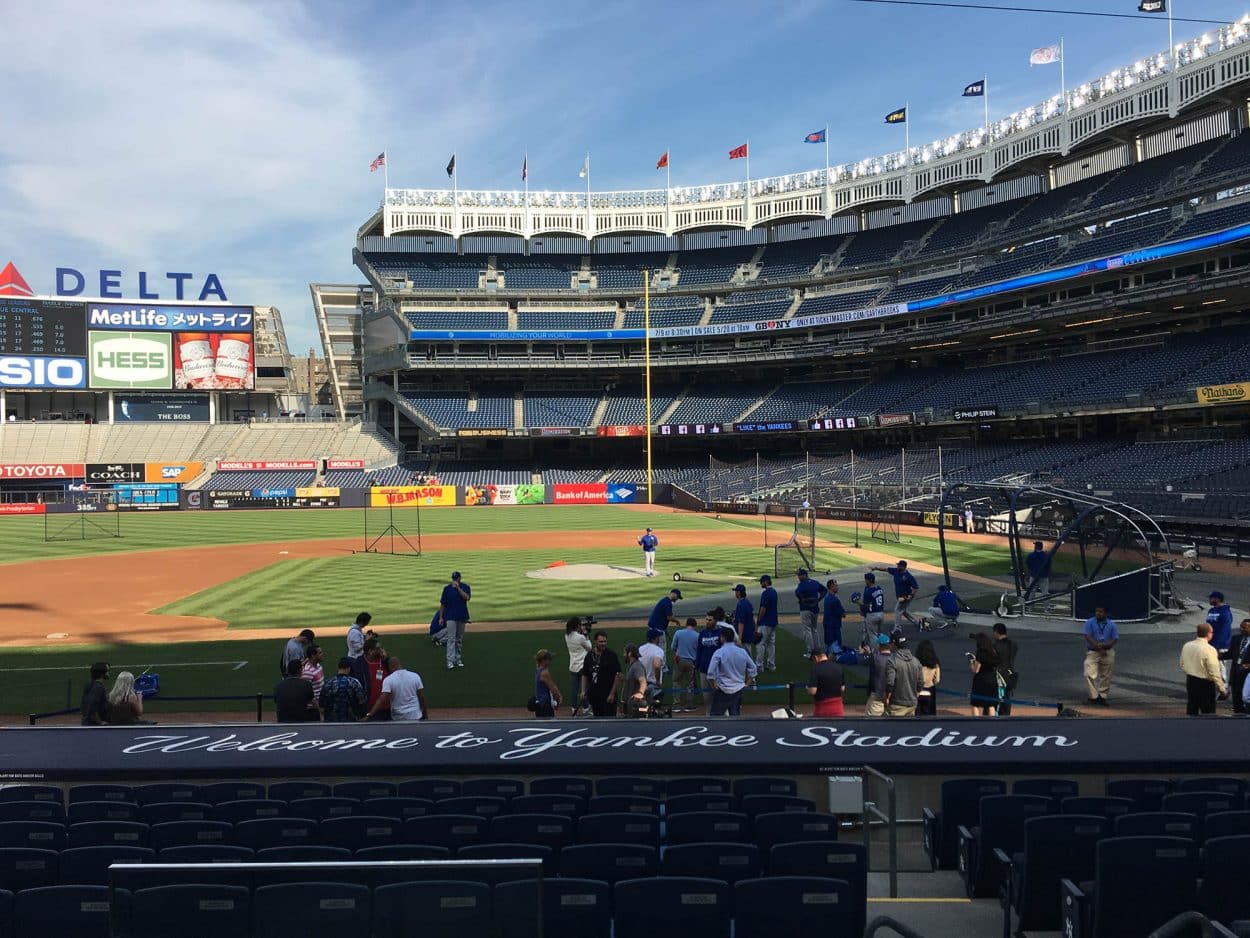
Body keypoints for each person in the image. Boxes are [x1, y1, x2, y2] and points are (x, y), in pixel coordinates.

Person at [707, 625, 759, 717]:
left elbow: (710, 673)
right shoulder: (742, 651)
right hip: (738, 689)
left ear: (722, 638)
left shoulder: (719, 652)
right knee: (735, 717)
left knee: (715, 718)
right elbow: (753, 668)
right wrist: (747, 683)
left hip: (722, 689)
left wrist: (713, 685)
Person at [1180, 622, 1227, 716]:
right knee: (1208, 712)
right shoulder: (1209, 649)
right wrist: (1222, 688)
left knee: (1192, 708)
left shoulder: (1187, 645)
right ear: (1208, 634)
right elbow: (1214, 671)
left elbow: (1182, 663)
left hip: (1191, 681)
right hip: (1205, 684)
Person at [365, 657, 428, 722]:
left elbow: (382, 699)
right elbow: (422, 697)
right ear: (400, 664)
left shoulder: (388, 680)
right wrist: (425, 715)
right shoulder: (415, 676)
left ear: (390, 667)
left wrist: (369, 715)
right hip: (415, 715)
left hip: (398, 717)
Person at [580, 631, 623, 717]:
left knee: (610, 720)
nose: (603, 644)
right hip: (594, 695)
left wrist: (612, 693)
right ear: (595, 641)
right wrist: (583, 691)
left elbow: (618, 675)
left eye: (605, 641)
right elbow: (585, 674)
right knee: (597, 718)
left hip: (608, 695)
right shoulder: (589, 656)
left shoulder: (611, 655)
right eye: (601, 642)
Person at [1083, 606, 1118, 706]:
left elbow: (1115, 639)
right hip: (1093, 651)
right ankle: (1093, 697)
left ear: (1106, 613)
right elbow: (1087, 636)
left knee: (1106, 675)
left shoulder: (1111, 625)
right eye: (1097, 611)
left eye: (1101, 612)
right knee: (1089, 673)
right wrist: (1099, 648)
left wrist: (1105, 647)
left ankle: (1102, 697)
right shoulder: (1089, 622)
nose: (1098, 613)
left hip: (1108, 651)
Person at [350, 637, 391, 721]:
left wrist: (387, 659)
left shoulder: (384, 661)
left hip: (386, 707)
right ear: (370, 651)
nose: (381, 650)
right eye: (378, 648)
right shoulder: (359, 663)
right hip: (367, 707)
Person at [872, 560, 920, 629]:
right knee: (903, 611)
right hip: (900, 596)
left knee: (897, 610)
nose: (897, 566)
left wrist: (910, 596)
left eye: (899, 566)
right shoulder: (896, 571)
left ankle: (897, 628)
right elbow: (886, 569)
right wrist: (876, 568)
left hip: (906, 596)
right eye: (897, 565)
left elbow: (915, 588)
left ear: (904, 567)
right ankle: (917, 622)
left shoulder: (908, 576)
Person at [440, 571, 472, 670]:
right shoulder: (447, 589)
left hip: (462, 616)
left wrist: (458, 588)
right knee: (451, 638)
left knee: (459, 639)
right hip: (450, 617)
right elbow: (443, 604)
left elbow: (467, 598)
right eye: (453, 578)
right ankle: (450, 661)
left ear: (460, 578)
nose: (455, 580)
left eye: (456, 578)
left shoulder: (465, 587)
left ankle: (457, 659)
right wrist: (441, 617)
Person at [885, 634, 922, 717]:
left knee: (894, 729)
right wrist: (915, 696)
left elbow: (890, 682)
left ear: (894, 644)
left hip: (897, 704)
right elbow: (920, 682)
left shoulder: (892, 661)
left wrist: (887, 698)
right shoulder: (916, 661)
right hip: (912, 704)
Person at [319, 657, 367, 722]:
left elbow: (322, 706)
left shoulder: (328, 683)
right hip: (352, 722)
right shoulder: (355, 682)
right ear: (349, 668)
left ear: (338, 668)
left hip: (331, 722)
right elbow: (362, 702)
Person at [564, 617, 593, 716]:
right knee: (584, 689)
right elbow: (589, 648)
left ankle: (573, 708)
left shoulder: (567, 636)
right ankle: (585, 708)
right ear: (577, 626)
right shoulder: (580, 637)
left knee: (574, 689)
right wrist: (586, 635)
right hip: (582, 666)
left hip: (573, 665)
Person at [794, 568, 827, 656]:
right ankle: (817, 648)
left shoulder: (802, 585)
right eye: (798, 575)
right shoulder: (815, 582)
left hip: (805, 609)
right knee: (814, 629)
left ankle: (811, 650)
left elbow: (797, 593)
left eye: (800, 575)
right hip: (815, 609)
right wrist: (818, 599)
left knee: (807, 630)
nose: (799, 577)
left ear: (805, 575)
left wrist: (802, 599)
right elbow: (824, 590)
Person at [696, 611, 724, 713]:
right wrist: (697, 665)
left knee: (720, 695)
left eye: (710, 620)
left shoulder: (721, 633)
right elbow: (699, 650)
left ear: (715, 621)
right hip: (704, 670)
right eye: (706, 619)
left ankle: (724, 716)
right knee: (706, 697)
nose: (707, 622)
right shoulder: (703, 633)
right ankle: (708, 717)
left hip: (718, 671)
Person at [671, 617, 700, 713]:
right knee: (690, 684)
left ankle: (676, 705)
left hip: (679, 660)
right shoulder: (697, 635)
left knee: (676, 682)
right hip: (691, 662)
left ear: (686, 624)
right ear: (694, 625)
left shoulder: (678, 633)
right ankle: (689, 705)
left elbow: (673, 647)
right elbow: (698, 650)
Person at [806, 648, 845, 717]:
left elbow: (812, 691)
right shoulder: (839, 667)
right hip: (838, 707)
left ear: (815, 657)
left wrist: (807, 688)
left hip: (822, 708)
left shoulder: (815, 669)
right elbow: (842, 688)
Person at [969, 632, 1000, 717]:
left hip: (981, 680)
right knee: (991, 704)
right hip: (992, 679)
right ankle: (992, 723)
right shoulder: (993, 650)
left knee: (975, 703)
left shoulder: (981, 652)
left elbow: (976, 670)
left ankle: (976, 723)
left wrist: (972, 663)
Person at [1206, 591, 1234, 685]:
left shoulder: (1225, 612)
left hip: (1220, 645)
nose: (1209, 599)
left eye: (1211, 598)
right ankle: (1214, 685)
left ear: (1217, 599)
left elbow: (1225, 630)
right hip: (1210, 643)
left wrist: (1217, 646)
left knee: (1220, 666)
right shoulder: (1211, 610)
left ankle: (1224, 688)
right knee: (1210, 666)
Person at [992, 623, 1019, 716]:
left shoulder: (995, 646)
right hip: (1010, 674)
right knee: (1007, 697)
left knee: (997, 698)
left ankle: (997, 716)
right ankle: (1006, 716)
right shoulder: (1013, 644)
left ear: (996, 632)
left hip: (999, 676)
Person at [1226, 618, 1250, 715]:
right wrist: (1216, 655)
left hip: (1248, 676)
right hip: (1236, 674)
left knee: (1246, 700)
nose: (1241, 629)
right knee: (1237, 702)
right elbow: (1230, 654)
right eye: (1241, 627)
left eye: (1244, 627)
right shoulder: (1236, 638)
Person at [864, 633, 892, 716]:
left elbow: (864, 660)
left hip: (878, 697)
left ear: (880, 645)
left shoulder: (874, 658)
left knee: (872, 724)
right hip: (893, 698)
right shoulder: (895, 658)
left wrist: (867, 653)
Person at [755, 575, 779, 671]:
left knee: (760, 643)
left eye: (761, 582)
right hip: (773, 621)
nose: (761, 583)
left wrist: (758, 620)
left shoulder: (766, 593)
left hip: (765, 622)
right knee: (770, 644)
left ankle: (759, 665)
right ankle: (771, 664)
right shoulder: (774, 592)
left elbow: (763, 608)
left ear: (766, 582)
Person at [530, 650, 561, 718]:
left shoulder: (537, 670)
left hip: (539, 705)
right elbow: (554, 691)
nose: (551, 661)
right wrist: (557, 703)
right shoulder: (545, 673)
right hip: (545, 706)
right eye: (549, 659)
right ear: (544, 660)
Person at [621, 644, 649, 716]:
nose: (624, 655)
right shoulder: (633, 666)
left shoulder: (636, 666)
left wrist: (640, 693)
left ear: (629, 654)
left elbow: (643, 681)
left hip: (635, 706)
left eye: (625, 653)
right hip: (631, 705)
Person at [916, 640, 941, 716]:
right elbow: (937, 680)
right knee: (930, 714)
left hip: (918, 690)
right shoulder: (935, 663)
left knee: (917, 714)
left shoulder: (916, 662)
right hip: (930, 690)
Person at [80, 661, 110, 726]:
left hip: (87, 723)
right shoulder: (98, 688)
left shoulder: (90, 684)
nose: (108, 673)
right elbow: (92, 707)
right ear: (102, 674)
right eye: (107, 671)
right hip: (94, 725)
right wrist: (100, 722)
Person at [301, 644, 325, 721]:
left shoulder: (318, 666)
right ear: (313, 656)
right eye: (320, 653)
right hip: (312, 709)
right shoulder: (308, 672)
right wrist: (319, 708)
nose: (322, 654)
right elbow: (306, 692)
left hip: (320, 705)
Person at [733, 585, 758, 657]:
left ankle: (751, 667)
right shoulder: (747, 602)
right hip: (749, 632)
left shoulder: (741, 605)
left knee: (745, 655)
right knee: (747, 653)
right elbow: (752, 618)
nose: (735, 593)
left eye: (736, 591)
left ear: (739, 593)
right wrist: (755, 629)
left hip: (744, 635)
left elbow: (741, 622)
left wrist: (739, 638)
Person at [860, 573, 886, 642]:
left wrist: (857, 603)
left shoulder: (868, 592)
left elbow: (865, 605)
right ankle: (882, 650)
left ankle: (875, 652)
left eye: (866, 579)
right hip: (881, 614)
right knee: (880, 634)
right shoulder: (879, 588)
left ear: (869, 580)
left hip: (872, 615)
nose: (865, 581)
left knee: (873, 636)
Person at [822, 579, 846, 652]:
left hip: (827, 624)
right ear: (831, 587)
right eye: (836, 586)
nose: (837, 587)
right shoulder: (834, 599)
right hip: (833, 626)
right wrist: (843, 613)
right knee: (836, 650)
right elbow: (841, 613)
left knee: (829, 645)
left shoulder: (827, 598)